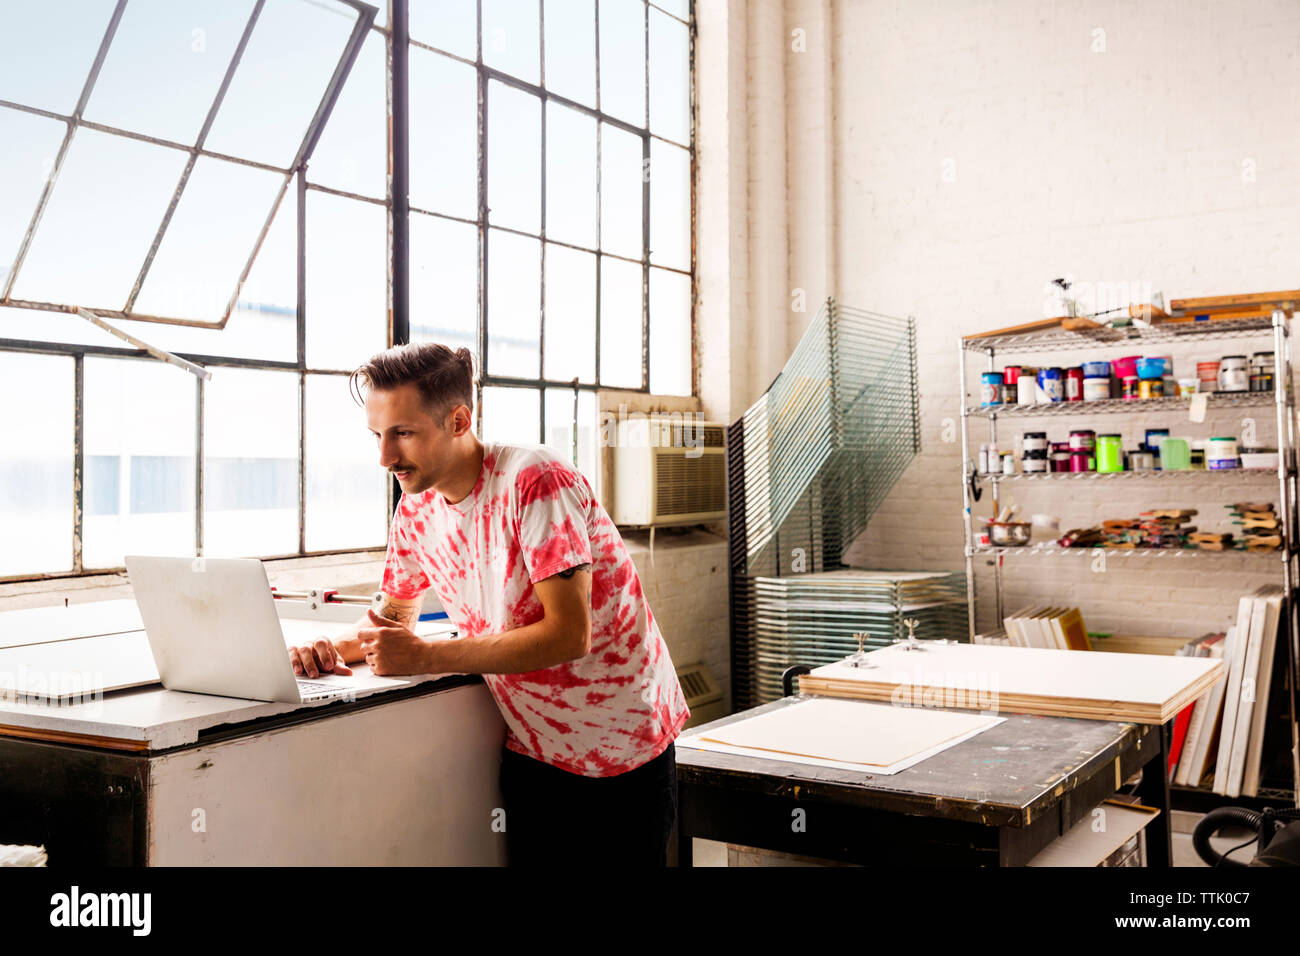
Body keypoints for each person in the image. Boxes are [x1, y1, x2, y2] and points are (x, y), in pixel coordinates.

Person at [288, 342, 690, 866]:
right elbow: (392, 621)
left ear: (459, 420)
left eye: (403, 434)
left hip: (622, 752)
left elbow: (570, 635)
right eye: (378, 435)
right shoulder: (416, 509)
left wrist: (428, 657)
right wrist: (328, 649)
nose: (385, 457)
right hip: (533, 751)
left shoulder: (536, 479)